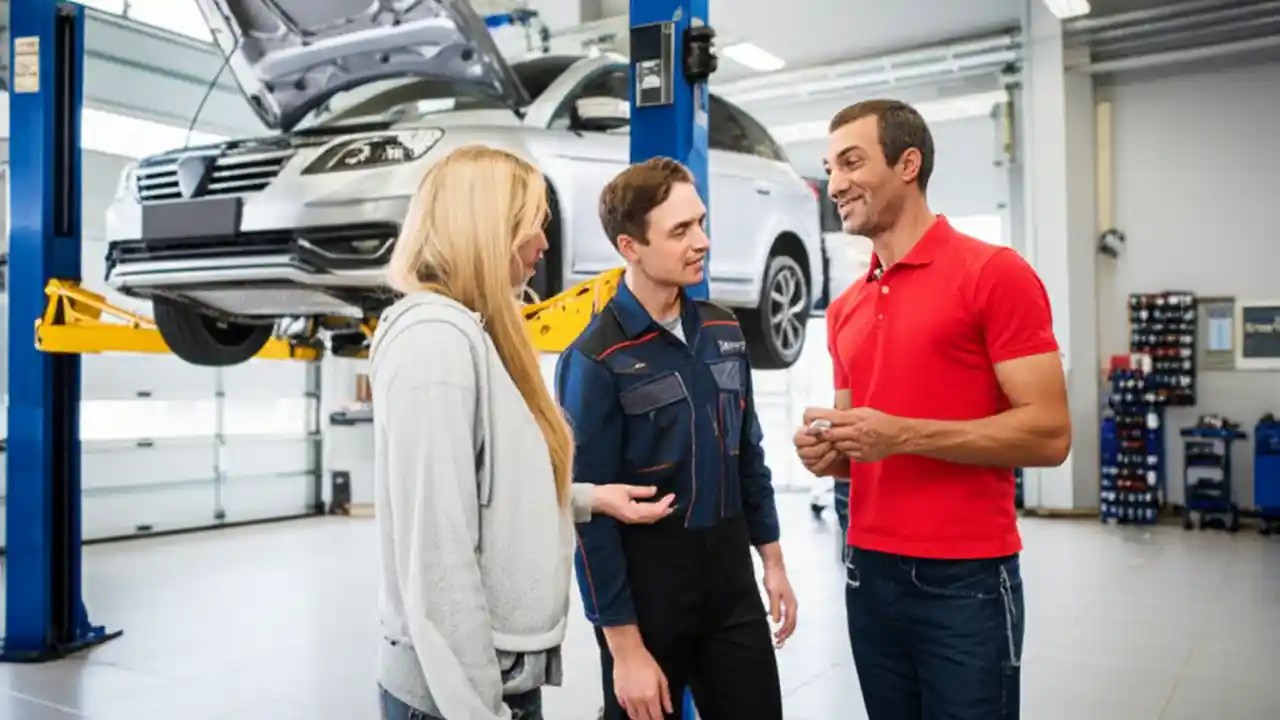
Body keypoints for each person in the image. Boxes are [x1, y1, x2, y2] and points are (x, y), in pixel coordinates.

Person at [370, 145, 679, 720]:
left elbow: (490, 487)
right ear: (487, 229)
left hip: (491, 681)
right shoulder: (433, 345)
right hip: (453, 695)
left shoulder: (472, 334)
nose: (542, 243)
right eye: (533, 226)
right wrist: (478, 708)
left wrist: (587, 498)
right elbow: (438, 557)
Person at [794, 100, 1071, 720]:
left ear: (908, 163)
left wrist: (904, 436)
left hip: (965, 581)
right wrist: (829, 454)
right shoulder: (844, 311)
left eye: (851, 162)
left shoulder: (994, 275)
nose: (834, 183)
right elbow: (858, 450)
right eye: (829, 167)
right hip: (867, 573)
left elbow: (1050, 434)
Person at [556, 157, 798, 720]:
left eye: (701, 223)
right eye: (681, 231)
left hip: (731, 584)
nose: (703, 242)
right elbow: (587, 513)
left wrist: (774, 562)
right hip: (647, 598)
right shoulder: (595, 359)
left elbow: (749, 458)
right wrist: (624, 648)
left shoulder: (723, 331)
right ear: (630, 246)